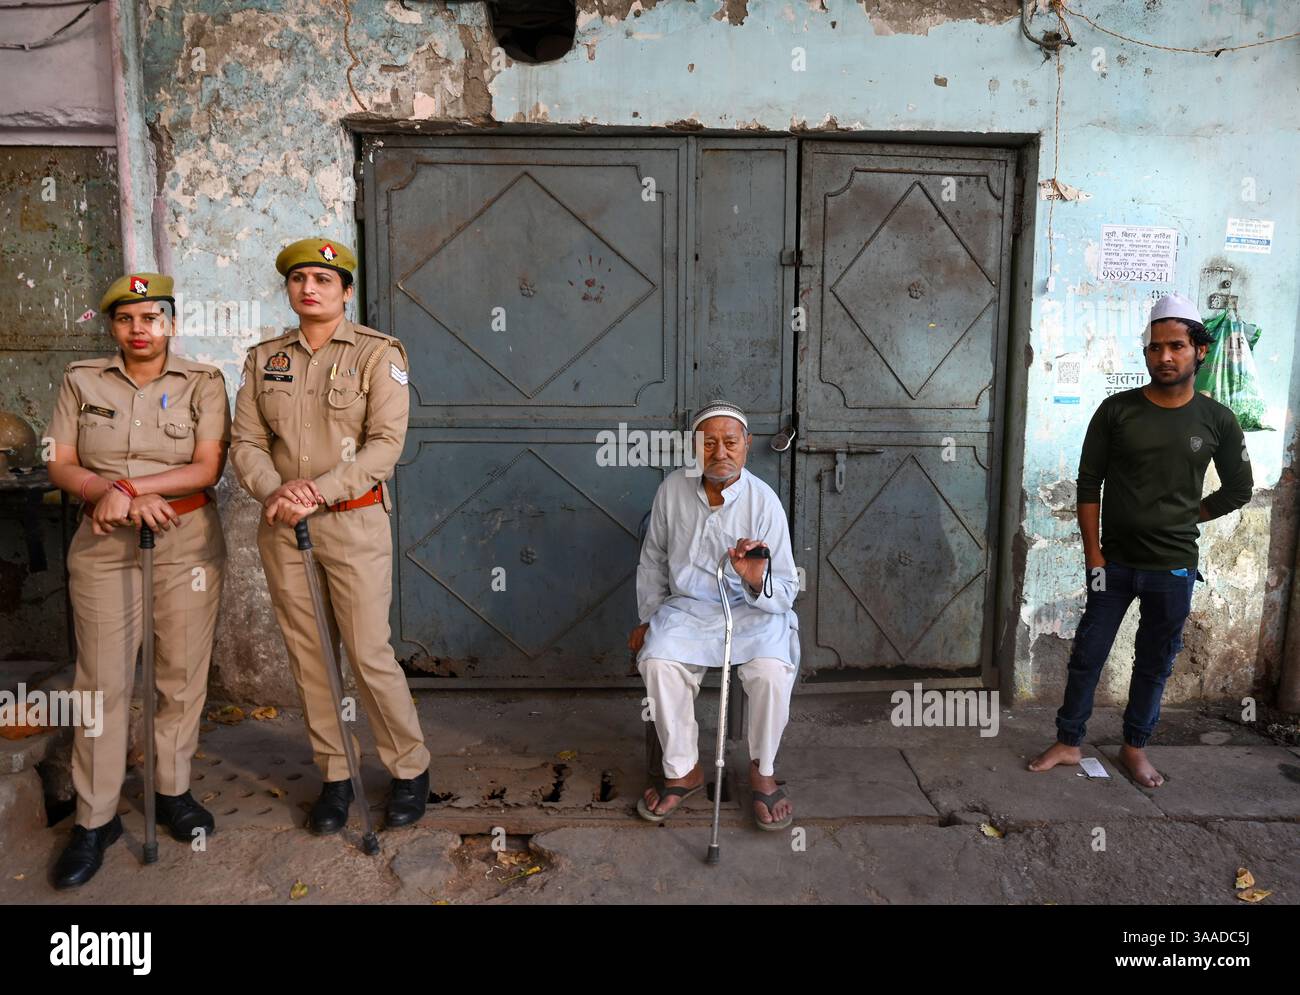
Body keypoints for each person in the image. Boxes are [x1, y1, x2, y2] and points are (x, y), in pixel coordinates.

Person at [230, 238, 431, 834]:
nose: (309, 288)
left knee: (369, 653)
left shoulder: (376, 354)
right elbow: (246, 443)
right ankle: (336, 776)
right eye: (298, 279)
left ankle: (410, 769)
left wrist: (316, 490)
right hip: (283, 523)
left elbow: (384, 446)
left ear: (346, 290)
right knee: (312, 657)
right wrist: (276, 491)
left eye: (323, 278)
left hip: (354, 521)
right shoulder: (265, 358)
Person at [45, 273, 229, 888]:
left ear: (170, 323)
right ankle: (95, 818)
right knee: (101, 681)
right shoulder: (82, 380)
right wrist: (103, 491)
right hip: (102, 545)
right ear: (113, 327)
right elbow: (60, 460)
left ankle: (172, 791)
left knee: (180, 674)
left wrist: (130, 489)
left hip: (185, 542)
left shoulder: (202, 382)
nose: (140, 329)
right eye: (126, 319)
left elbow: (208, 466)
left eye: (152, 317)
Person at [1029, 293, 1253, 786]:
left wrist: (1189, 513)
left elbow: (1240, 489)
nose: (1164, 357)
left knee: (1154, 662)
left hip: (1173, 567)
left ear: (1200, 352)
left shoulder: (1217, 420)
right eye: (1155, 347)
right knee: (1088, 654)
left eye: (1176, 346)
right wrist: (1094, 555)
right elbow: (1090, 485)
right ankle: (1069, 742)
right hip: (1115, 563)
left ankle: (1135, 748)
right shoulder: (1116, 411)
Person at [630, 400, 801, 829]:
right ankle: (684, 770)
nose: (719, 453)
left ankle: (762, 772)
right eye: (709, 443)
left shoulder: (764, 502)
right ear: (694, 446)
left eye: (729, 442)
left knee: (770, 671)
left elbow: (785, 590)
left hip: (751, 611)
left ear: (746, 446)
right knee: (657, 658)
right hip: (688, 609)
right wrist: (648, 617)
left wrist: (754, 579)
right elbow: (652, 560)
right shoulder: (672, 489)